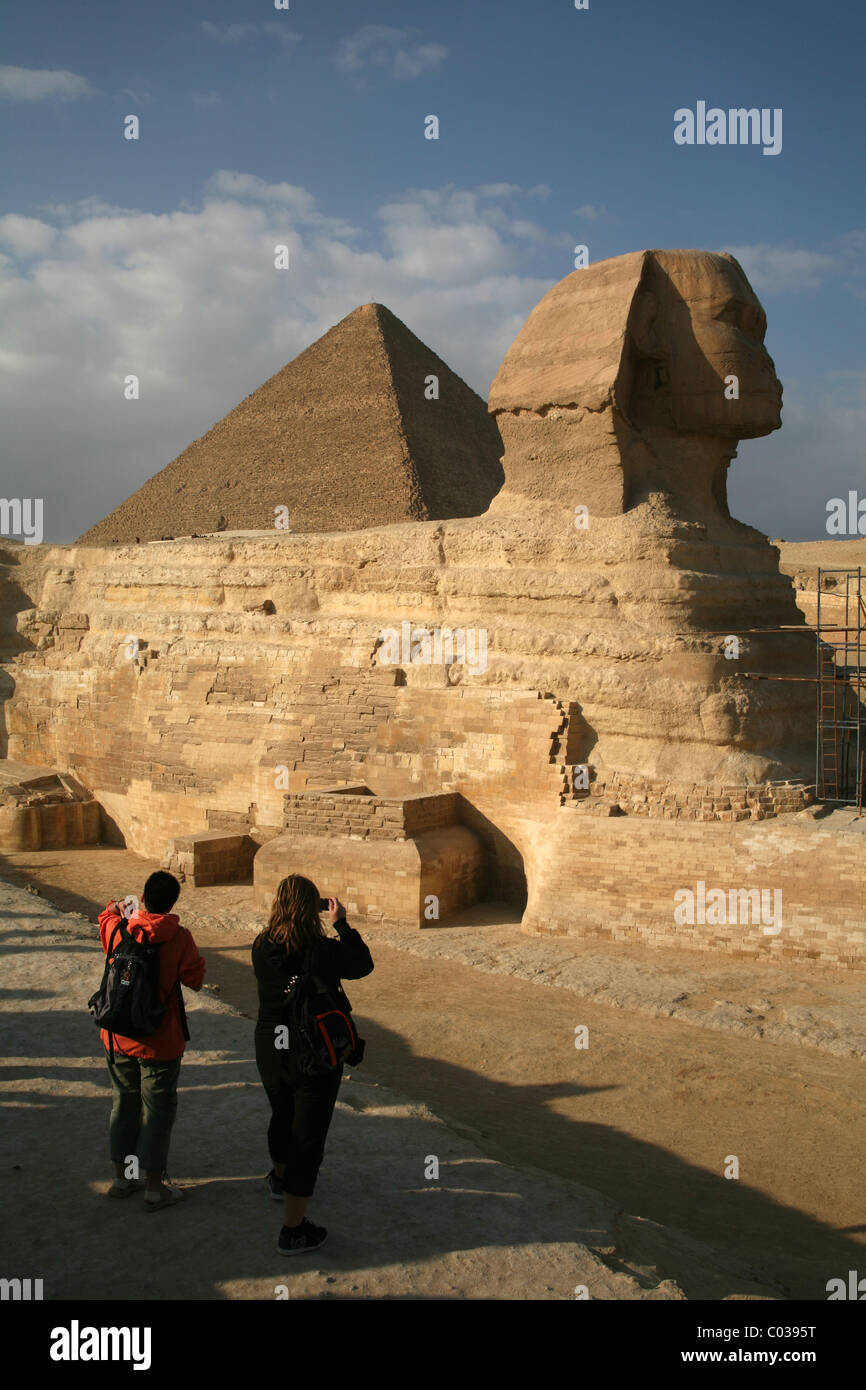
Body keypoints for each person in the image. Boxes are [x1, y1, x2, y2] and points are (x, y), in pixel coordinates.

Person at [252, 874, 373, 1255]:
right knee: (307, 1136)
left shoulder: (260, 946)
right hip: (312, 1051)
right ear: (312, 909)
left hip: (271, 1046)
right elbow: (362, 964)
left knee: (281, 1113)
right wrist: (341, 923)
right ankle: (293, 1229)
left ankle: (280, 1177)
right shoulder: (320, 950)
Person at [98, 870, 206, 1210]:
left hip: (118, 1034)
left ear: (143, 899)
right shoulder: (179, 937)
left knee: (124, 1105)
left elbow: (104, 915)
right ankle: (154, 1187)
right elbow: (196, 978)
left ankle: (124, 1177)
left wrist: (121, 905)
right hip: (160, 1039)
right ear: (173, 903)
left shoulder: (119, 930)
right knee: (157, 1112)